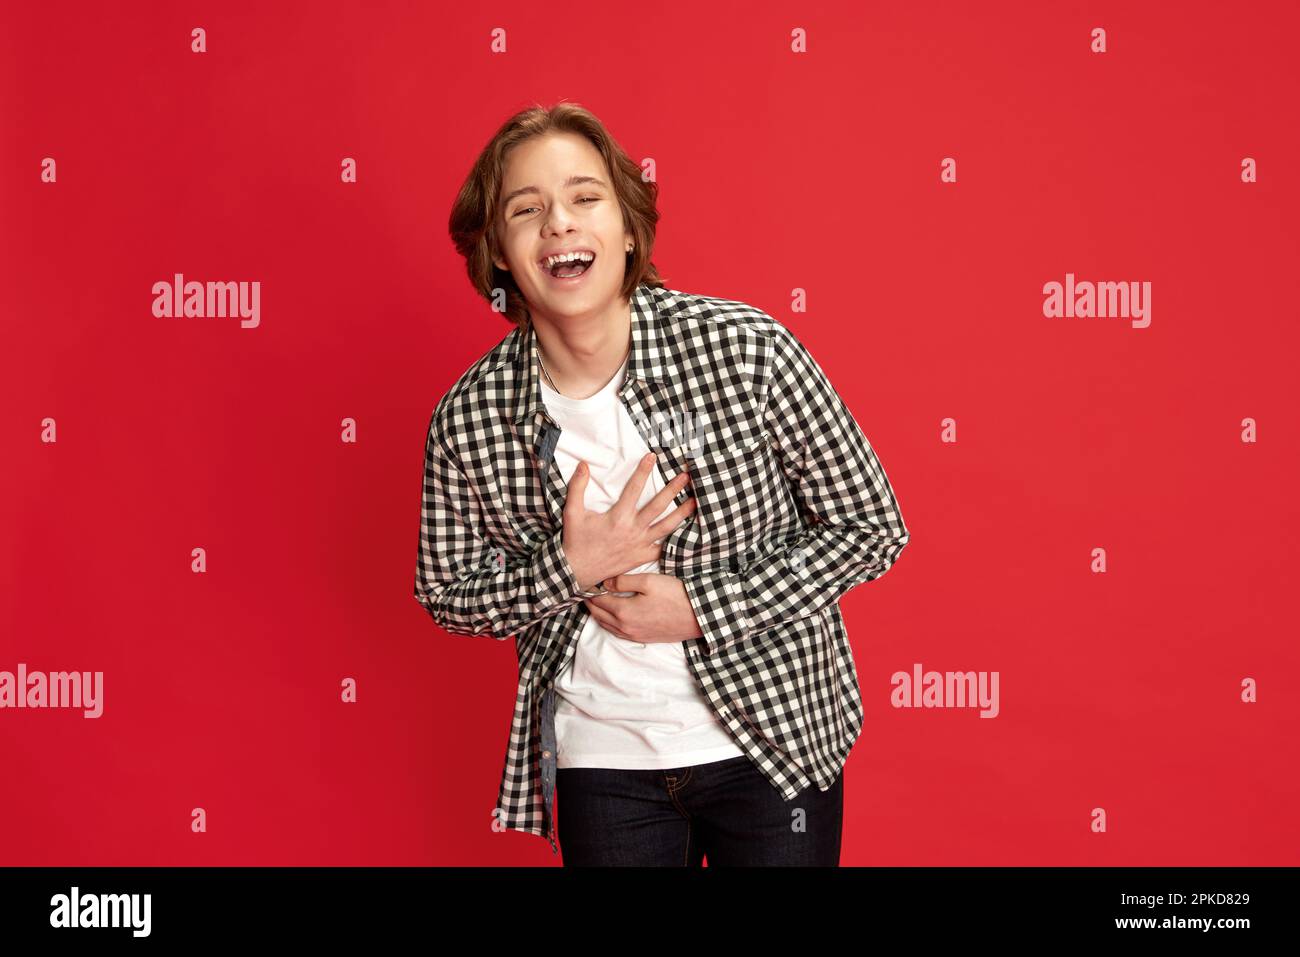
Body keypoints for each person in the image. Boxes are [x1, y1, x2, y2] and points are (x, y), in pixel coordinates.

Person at [416, 101, 910, 865]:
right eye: (527, 208)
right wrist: (571, 565)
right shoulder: (468, 418)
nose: (558, 223)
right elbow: (447, 591)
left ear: (627, 228)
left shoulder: (745, 350)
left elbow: (871, 525)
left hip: (772, 736)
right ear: (500, 254)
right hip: (602, 762)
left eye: (585, 197)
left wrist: (702, 609)